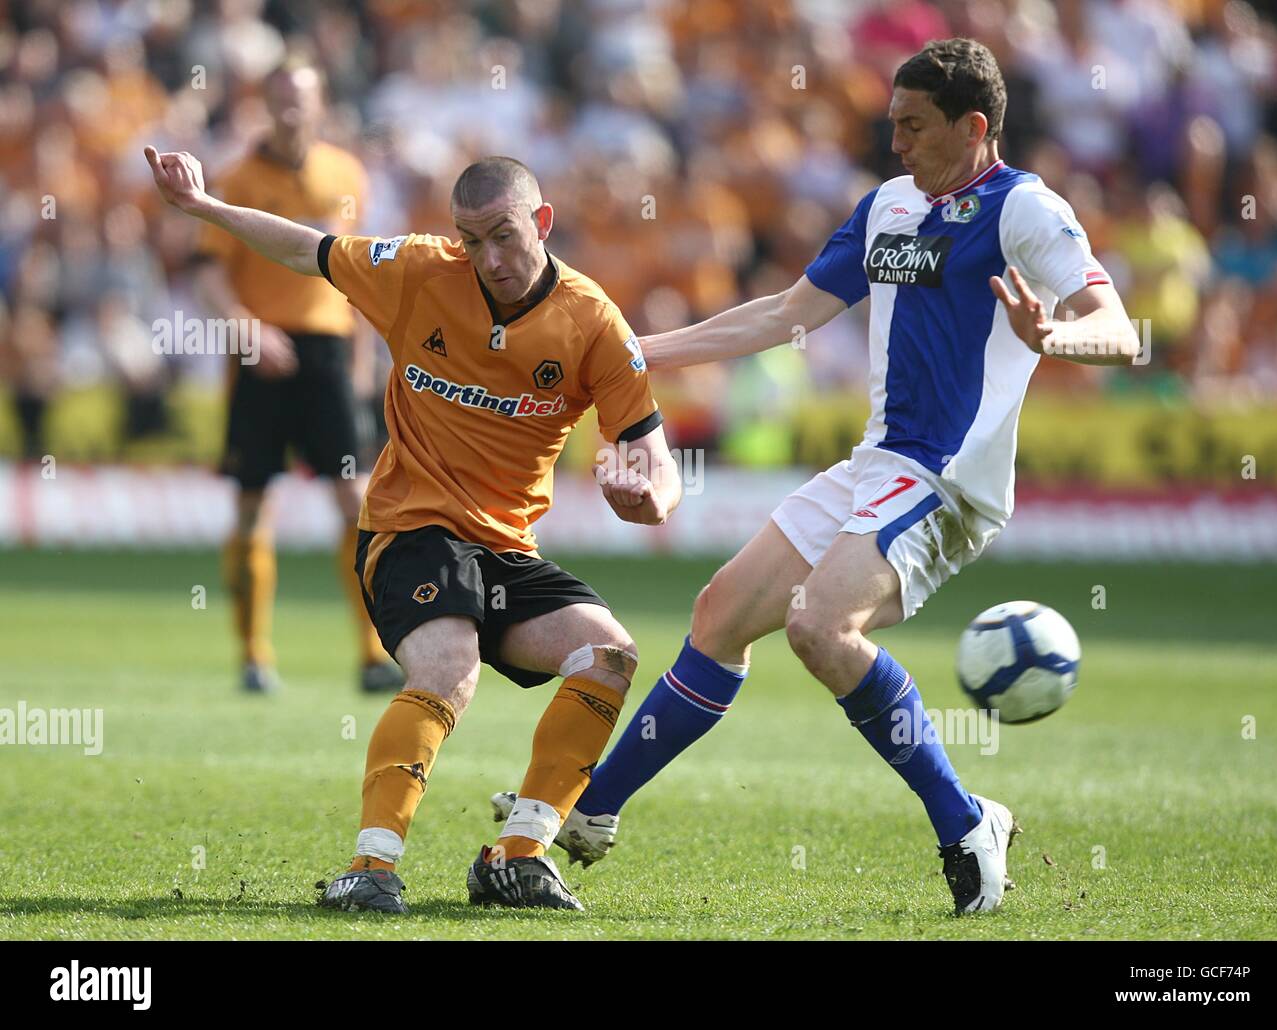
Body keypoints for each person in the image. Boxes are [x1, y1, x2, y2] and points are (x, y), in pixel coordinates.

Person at [497, 37, 1141, 915]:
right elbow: (787, 313)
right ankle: (595, 809)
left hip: (950, 480)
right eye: (892, 125)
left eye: (914, 127)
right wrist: (640, 352)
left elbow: (1121, 328)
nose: (898, 143)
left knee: (820, 627)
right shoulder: (887, 206)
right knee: (721, 614)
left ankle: (965, 823)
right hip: (879, 462)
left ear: (974, 126)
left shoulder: (1024, 208)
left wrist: (1055, 338)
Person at [147, 144, 682, 912]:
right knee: (449, 669)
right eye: (470, 239)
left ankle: (519, 856)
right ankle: (374, 867)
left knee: (609, 656)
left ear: (543, 221)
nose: (486, 257)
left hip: (505, 548)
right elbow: (307, 247)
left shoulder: (593, 321)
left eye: (503, 234)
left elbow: (653, 458)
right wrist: (204, 208)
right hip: (410, 529)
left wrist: (650, 501)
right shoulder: (418, 270)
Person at [191, 58, 401, 694]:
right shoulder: (235, 178)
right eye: (280, 100)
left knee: (354, 502)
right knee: (254, 503)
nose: (291, 112)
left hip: (329, 356)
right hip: (262, 356)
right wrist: (245, 327)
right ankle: (254, 656)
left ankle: (371, 653)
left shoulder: (346, 174)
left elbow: (357, 270)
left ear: (320, 104)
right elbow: (207, 274)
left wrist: (364, 361)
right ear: (265, 104)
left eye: (301, 100)